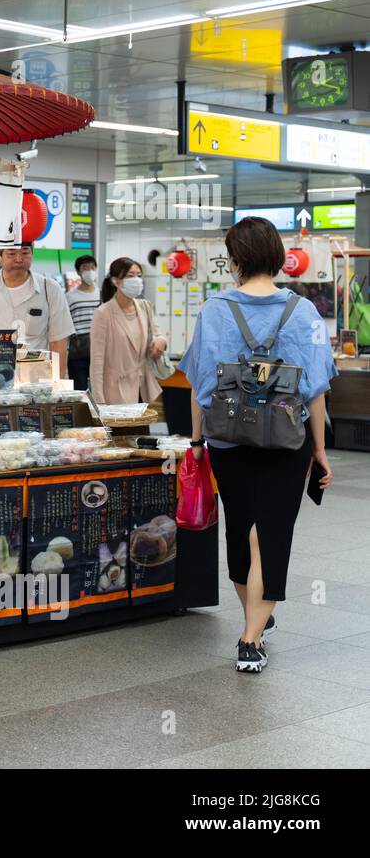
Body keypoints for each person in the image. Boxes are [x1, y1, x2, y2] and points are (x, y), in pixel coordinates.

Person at [179, 216, 336, 675]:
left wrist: (195, 442)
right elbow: (317, 389)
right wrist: (320, 451)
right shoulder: (303, 312)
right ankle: (252, 634)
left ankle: (252, 629)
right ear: (275, 256)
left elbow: (199, 386)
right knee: (270, 534)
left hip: (229, 440)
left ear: (234, 260)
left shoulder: (214, 310)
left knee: (241, 531)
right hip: (288, 443)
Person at [0, 242, 73, 377]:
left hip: (34, 383)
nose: (19, 258)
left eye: (25, 253)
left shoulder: (50, 289)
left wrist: (58, 385)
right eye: (11, 253)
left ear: (32, 255)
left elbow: (58, 344)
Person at [88, 257, 166, 404]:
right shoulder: (103, 313)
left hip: (142, 389)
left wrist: (161, 341)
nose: (136, 280)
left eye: (139, 275)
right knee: (122, 428)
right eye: (130, 276)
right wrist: (99, 401)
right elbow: (97, 361)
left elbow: (158, 334)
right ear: (115, 281)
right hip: (115, 392)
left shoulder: (145, 307)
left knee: (142, 427)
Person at [66, 254, 101, 391]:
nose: (90, 271)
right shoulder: (70, 297)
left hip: (100, 348)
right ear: (78, 272)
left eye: (92, 268)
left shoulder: (102, 294)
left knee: (100, 388)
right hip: (78, 350)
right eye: (85, 268)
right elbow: (66, 324)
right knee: (79, 389)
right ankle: (81, 413)